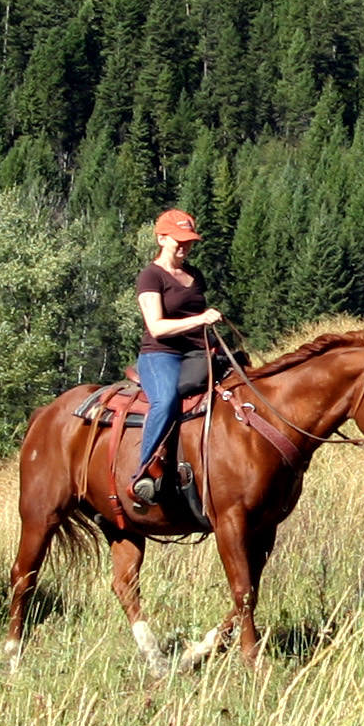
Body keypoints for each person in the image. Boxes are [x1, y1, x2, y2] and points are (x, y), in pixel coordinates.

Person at [130, 209, 221, 507]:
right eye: (178, 240)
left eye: (189, 241)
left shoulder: (195, 275)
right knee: (166, 400)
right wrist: (200, 319)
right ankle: (144, 472)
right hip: (161, 353)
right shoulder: (151, 276)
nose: (184, 246)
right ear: (161, 239)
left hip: (197, 351)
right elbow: (156, 327)